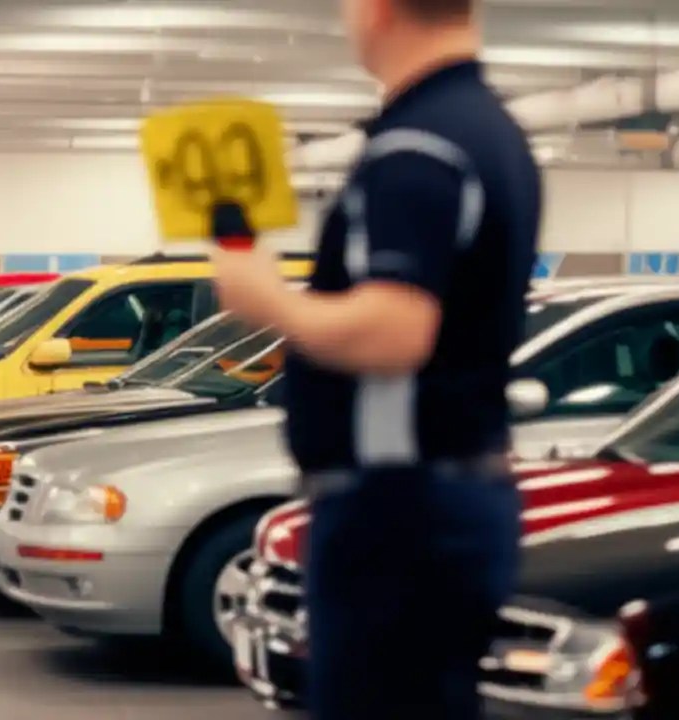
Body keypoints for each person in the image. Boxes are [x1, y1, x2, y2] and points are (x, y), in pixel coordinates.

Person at [211, 0, 540, 717]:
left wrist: (268, 299)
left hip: (398, 507)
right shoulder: (490, 132)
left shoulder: (417, 145)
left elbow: (395, 332)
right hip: (447, 497)